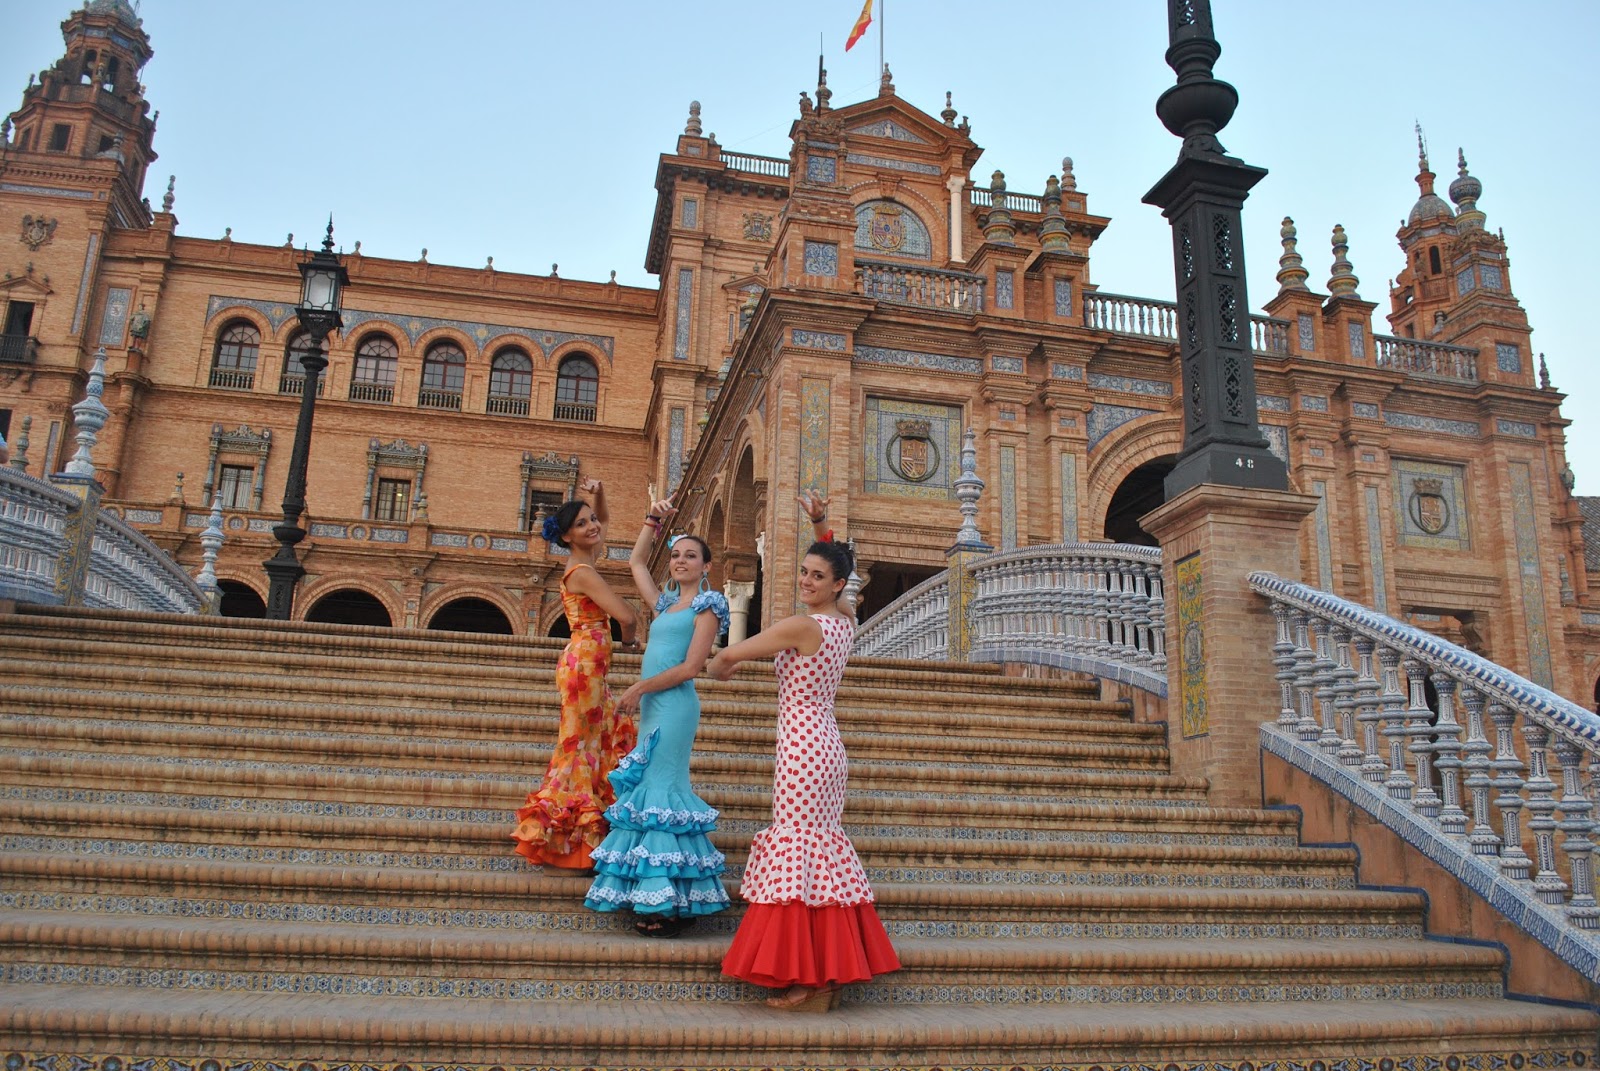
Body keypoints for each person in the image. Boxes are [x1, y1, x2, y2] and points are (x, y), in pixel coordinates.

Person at [711, 496, 899, 1012]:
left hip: (802, 747)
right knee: (817, 854)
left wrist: (712, 663)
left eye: (817, 575)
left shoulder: (805, 625)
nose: (806, 580)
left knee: (801, 855)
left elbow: (735, 650)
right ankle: (821, 975)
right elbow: (842, 576)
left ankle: (813, 979)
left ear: (837, 584)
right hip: (825, 743)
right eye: (804, 571)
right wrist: (820, 525)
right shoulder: (844, 619)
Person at [584, 498, 732, 936]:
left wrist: (639, 687)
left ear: (706, 564)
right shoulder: (666, 604)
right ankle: (653, 894)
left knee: (664, 793)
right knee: (650, 793)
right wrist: (652, 519)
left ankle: (665, 901)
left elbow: (691, 667)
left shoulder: (708, 605)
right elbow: (634, 562)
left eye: (690, 555)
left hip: (675, 706)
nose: (680, 561)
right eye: (675, 554)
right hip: (652, 708)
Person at [511, 478, 638, 873]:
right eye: (582, 524)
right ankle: (566, 840)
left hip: (587, 663)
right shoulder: (582, 571)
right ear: (567, 536)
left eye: (591, 521)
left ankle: (581, 837)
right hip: (583, 663)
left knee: (592, 742)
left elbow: (604, 519)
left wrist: (597, 494)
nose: (592, 527)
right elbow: (627, 615)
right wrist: (632, 642)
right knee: (580, 747)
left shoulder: (584, 560)